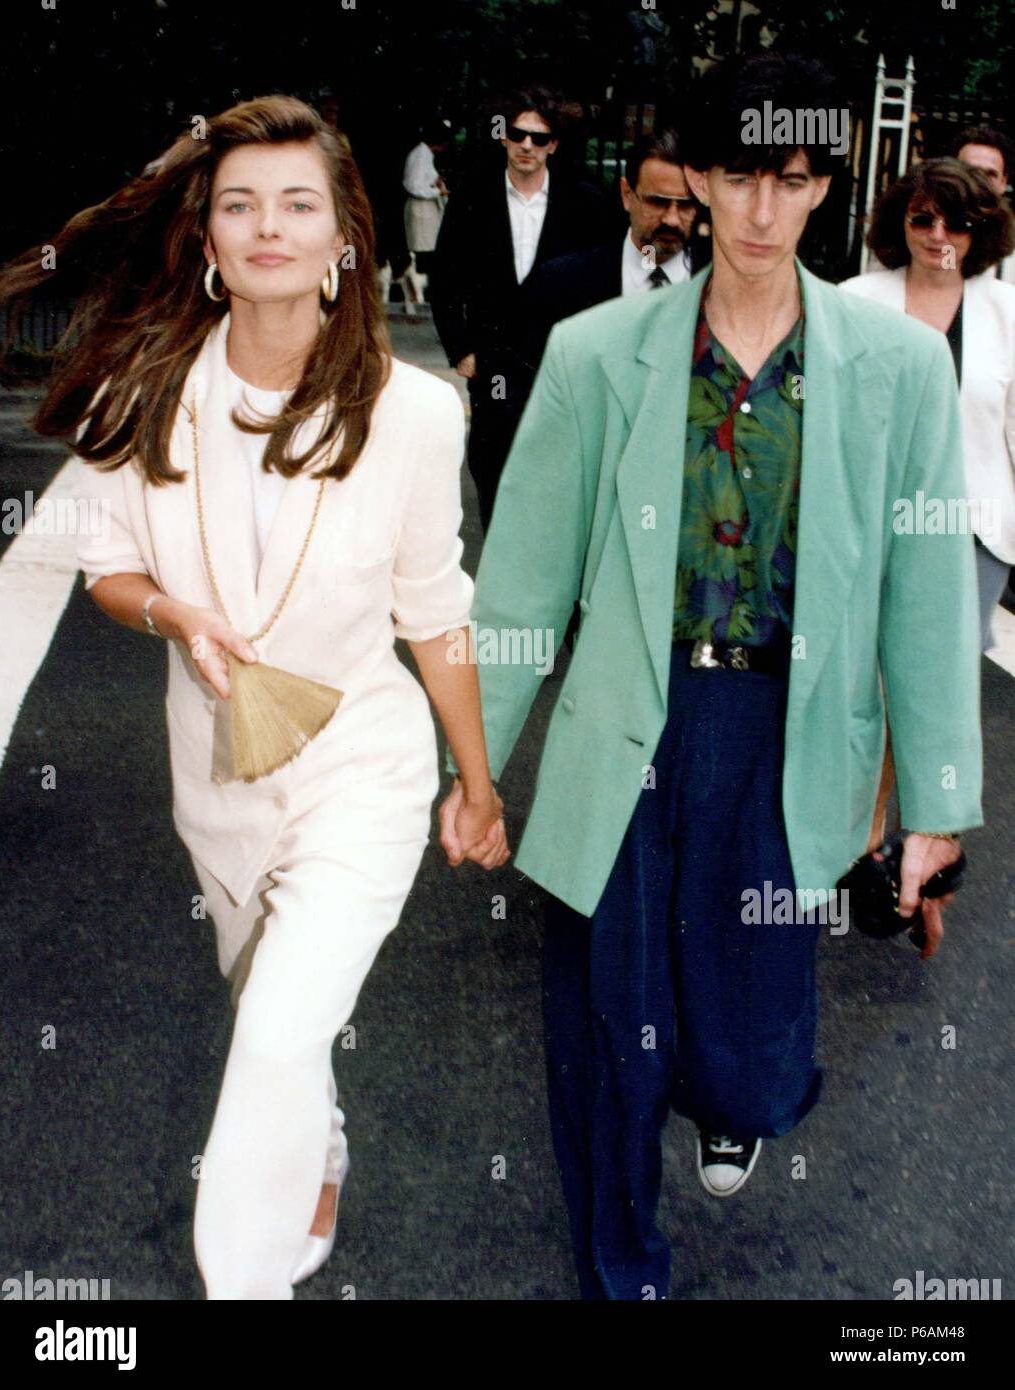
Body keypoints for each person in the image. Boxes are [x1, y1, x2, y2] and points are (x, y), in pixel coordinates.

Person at [438, 52, 982, 1301]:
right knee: (602, 1030)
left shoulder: (896, 369)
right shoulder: (594, 352)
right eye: (736, 176)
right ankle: (620, 1264)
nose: (756, 211)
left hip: (788, 730)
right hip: (627, 718)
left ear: (825, 189)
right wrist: (467, 772)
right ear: (694, 175)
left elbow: (922, 594)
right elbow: (518, 588)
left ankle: (724, 1088)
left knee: (747, 1053)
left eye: (790, 181)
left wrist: (934, 805)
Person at [0, 94, 509, 1300]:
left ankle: (244, 1281)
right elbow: (107, 565)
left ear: (344, 241)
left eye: (296, 204)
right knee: (270, 1007)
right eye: (238, 205)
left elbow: (435, 614)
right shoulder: (147, 388)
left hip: (362, 769)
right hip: (217, 771)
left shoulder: (415, 414)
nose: (266, 226)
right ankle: (316, 1137)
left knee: (274, 1029)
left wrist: (473, 785)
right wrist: (172, 613)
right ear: (208, 242)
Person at [840, 158, 1015, 653]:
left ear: (979, 230)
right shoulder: (855, 302)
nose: (938, 235)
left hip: (973, 531)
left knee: (947, 678)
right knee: (869, 667)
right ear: (900, 223)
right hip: (875, 522)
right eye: (922, 219)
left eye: (956, 222)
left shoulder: (1008, 312)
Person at [431, 83, 604, 531]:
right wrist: (460, 350)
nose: (527, 145)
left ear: (554, 146)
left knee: (557, 474)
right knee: (491, 466)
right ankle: (497, 568)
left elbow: (600, 281)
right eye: (518, 134)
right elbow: (445, 277)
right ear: (504, 137)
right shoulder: (474, 197)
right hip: (494, 362)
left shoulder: (582, 201)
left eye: (539, 138)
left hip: (558, 362)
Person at [521, 128, 699, 371]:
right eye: (657, 202)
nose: (671, 219)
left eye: (686, 205)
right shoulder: (560, 284)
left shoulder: (722, 286)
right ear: (627, 195)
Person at [949, 124, 1015, 284]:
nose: (979, 182)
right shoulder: (925, 232)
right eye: (970, 170)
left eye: (990, 174)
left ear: (1003, 182)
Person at [401, 120, 450, 283]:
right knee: (422, 252)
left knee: (428, 250)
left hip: (427, 210)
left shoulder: (426, 154)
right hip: (421, 210)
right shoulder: (420, 154)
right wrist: (437, 191)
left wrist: (435, 183)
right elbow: (413, 186)